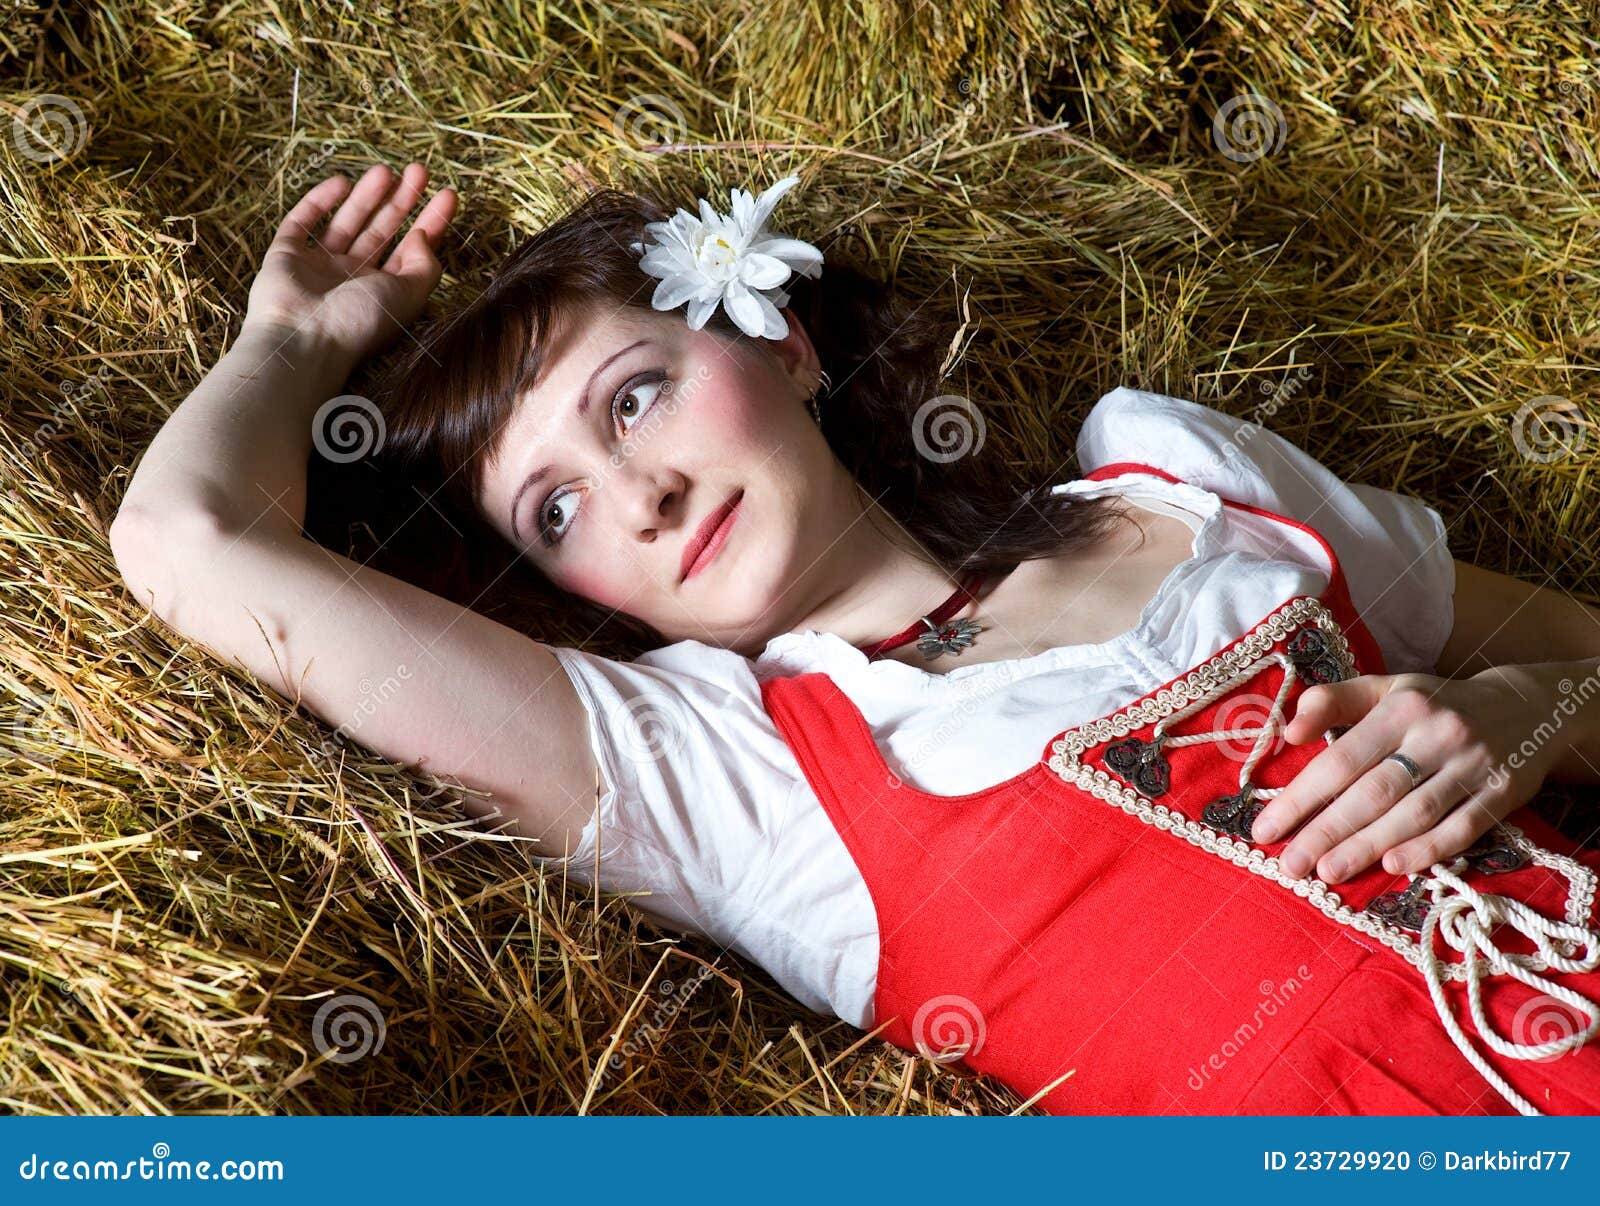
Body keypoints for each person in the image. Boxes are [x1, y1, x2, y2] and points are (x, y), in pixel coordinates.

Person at [110, 160, 1600, 1116]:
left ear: (780, 342)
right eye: (557, 511)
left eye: (634, 396)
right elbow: (186, 542)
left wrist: (1522, 708)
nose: (640, 494)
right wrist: (295, 347)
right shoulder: (736, 783)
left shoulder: (1174, 478)